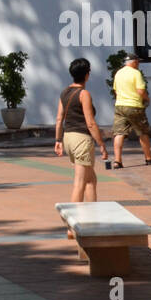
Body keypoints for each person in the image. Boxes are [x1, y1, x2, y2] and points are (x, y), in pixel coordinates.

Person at [55, 59, 109, 228]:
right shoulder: (84, 94)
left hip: (69, 137)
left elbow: (59, 119)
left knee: (91, 180)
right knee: (79, 183)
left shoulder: (64, 93)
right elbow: (90, 122)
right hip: (81, 139)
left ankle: (91, 219)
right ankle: (72, 226)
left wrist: (58, 140)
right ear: (87, 75)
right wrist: (101, 143)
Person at [112, 51, 151, 167]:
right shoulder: (136, 73)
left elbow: (115, 90)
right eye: (138, 61)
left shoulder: (118, 73)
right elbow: (140, 91)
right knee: (142, 132)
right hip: (134, 106)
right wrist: (147, 98)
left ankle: (117, 161)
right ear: (134, 62)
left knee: (119, 133)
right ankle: (148, 158)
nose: (139, 63)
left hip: (120, 106)